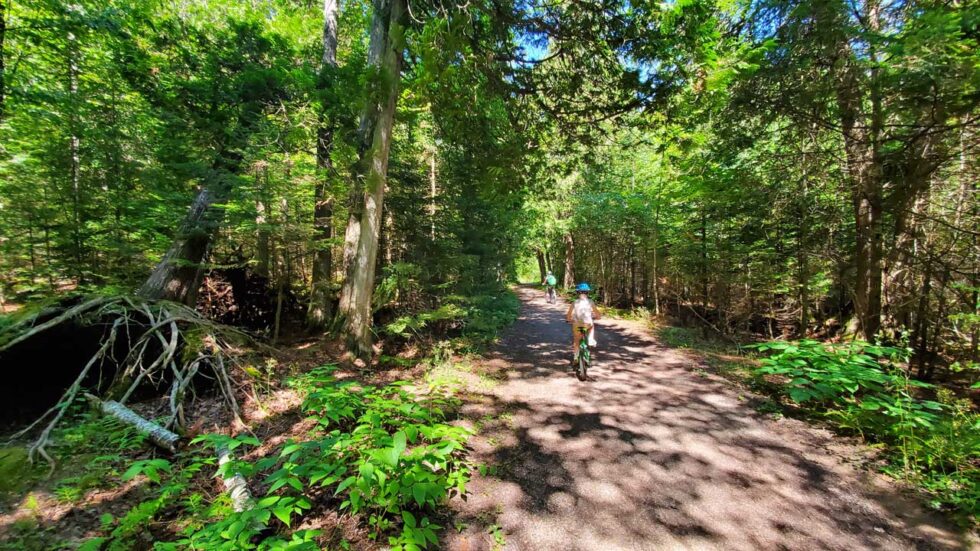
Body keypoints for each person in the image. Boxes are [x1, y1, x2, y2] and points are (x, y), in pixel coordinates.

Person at [566, 282, 601, 364]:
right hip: (587, 324)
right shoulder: (590, 302)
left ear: (578, 293)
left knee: (576, 341)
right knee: (591, 326)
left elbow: (569, 314)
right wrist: (598, 317)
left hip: (577, 324)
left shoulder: (574, 302)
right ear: (588, 293)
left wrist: (569, 319)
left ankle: (576, 358)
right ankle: (590, 339)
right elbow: (597, 312)